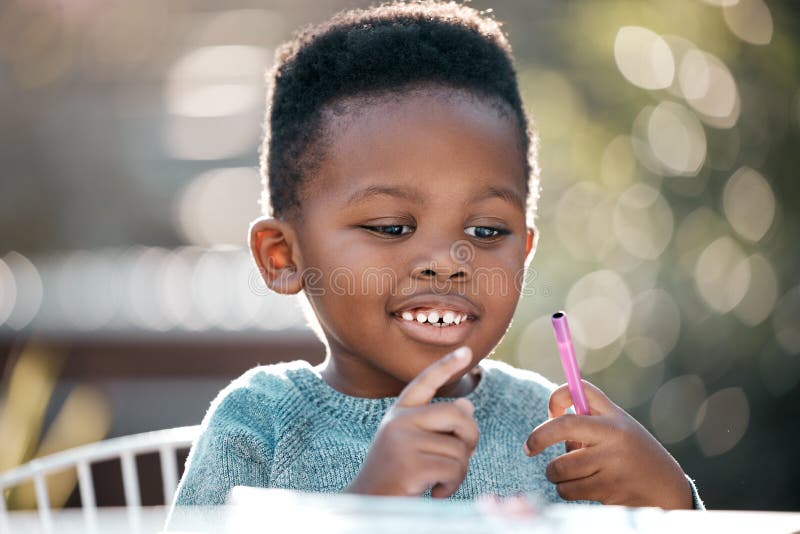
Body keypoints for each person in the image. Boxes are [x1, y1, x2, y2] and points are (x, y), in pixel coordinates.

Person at [170, 0, 703, 512]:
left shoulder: (554, 428)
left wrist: (671, 501)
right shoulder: (259, 424)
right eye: (392, 226)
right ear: (283, 256)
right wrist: (368, 505)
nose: (448, 261)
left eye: (488, 230)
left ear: (525, 252)